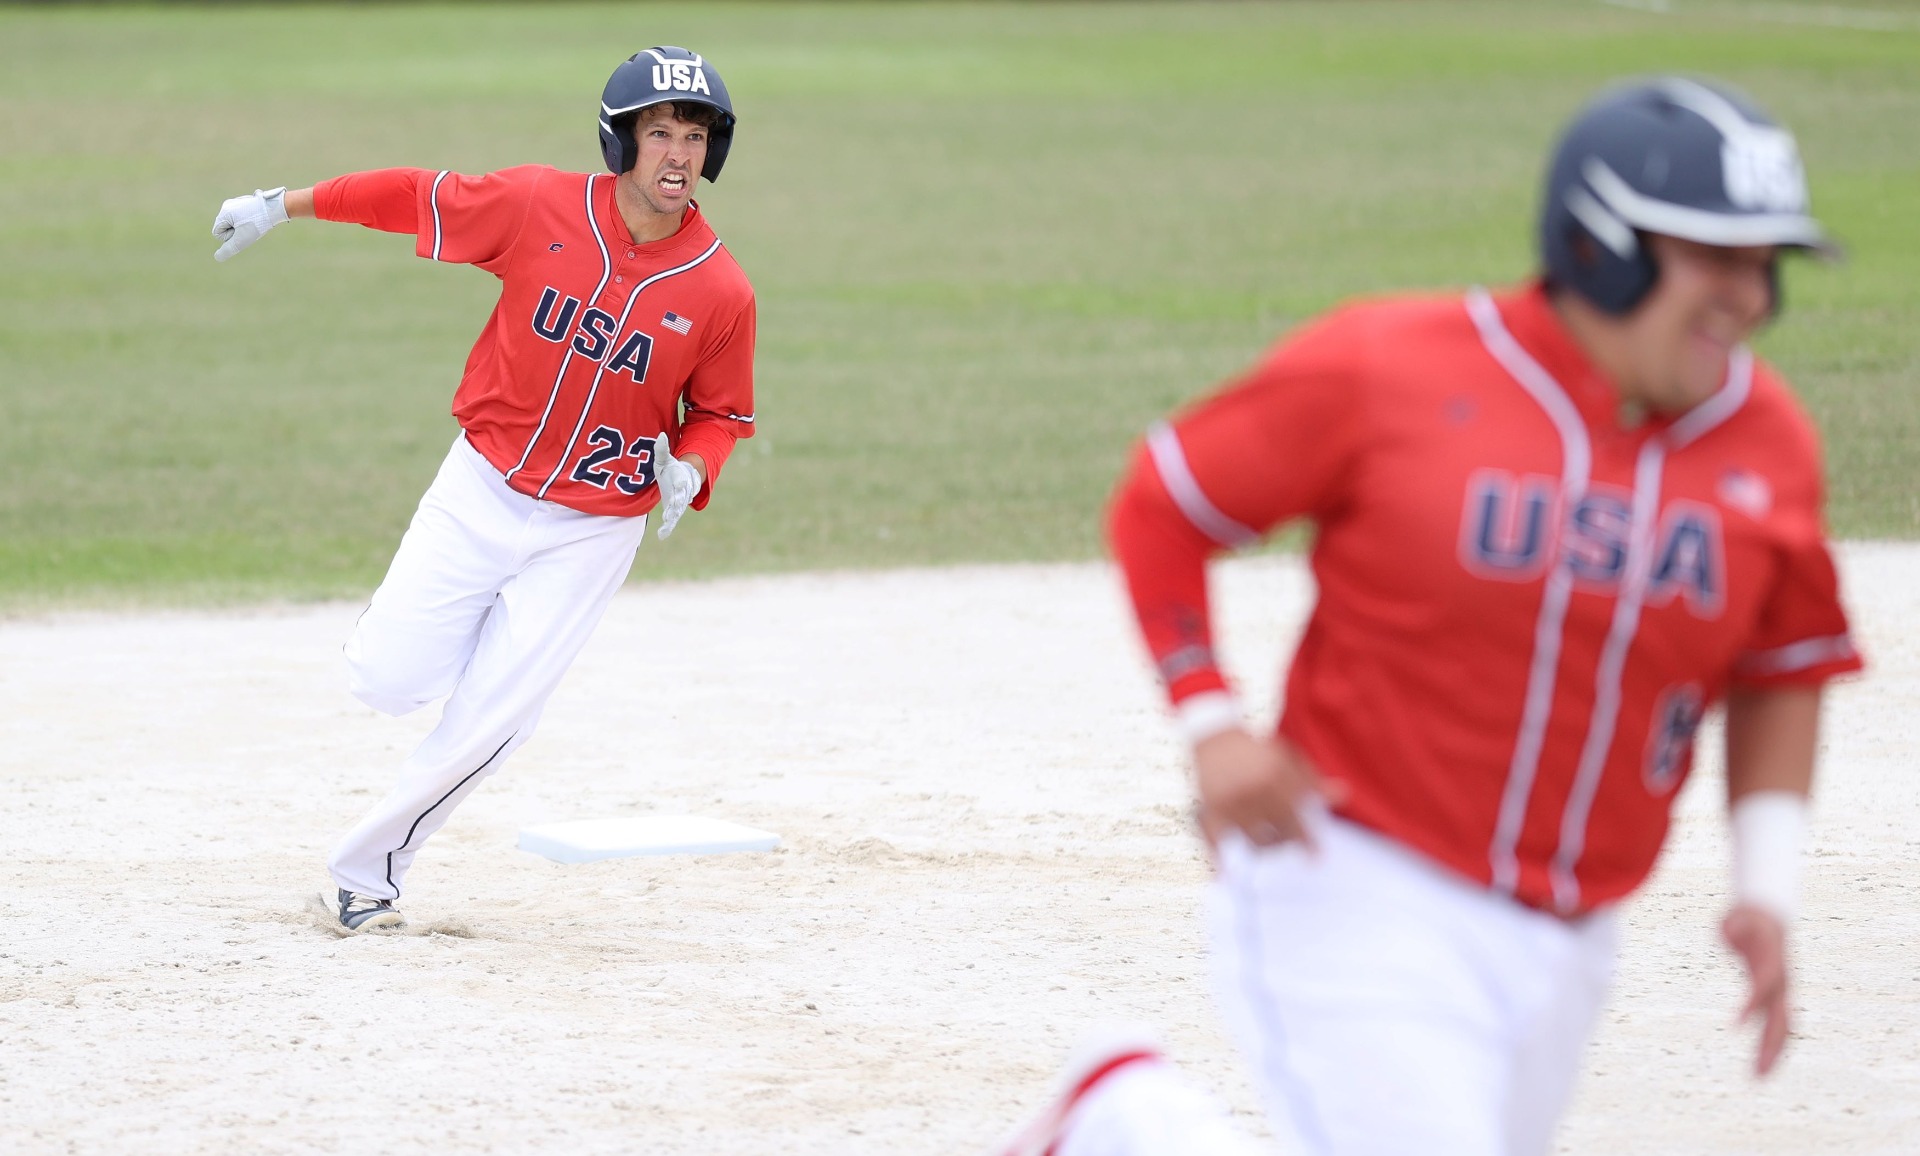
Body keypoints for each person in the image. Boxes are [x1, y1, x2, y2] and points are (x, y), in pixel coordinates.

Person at [997, 76, 1862, 1156]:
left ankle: (1122, 1124)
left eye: (1764, 264)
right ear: (1602, 243)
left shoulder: (1766, 439)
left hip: (1573, 932)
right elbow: (1166, 502)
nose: (1750, 297)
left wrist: (1765, 888)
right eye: (1716, 257)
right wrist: (1209, 721)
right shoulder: (1395, 367)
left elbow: (1784, 662)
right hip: (1360, 880)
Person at [209, 47, 756, 934]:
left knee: (488, 726)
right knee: (387, 680)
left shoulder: (722, 288)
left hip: (592, 529)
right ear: (622, 139)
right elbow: (411, 195)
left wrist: (692, 471)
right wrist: (284, 204)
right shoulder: (540, 205)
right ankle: (457, 643)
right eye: (660, 132)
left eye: (695, 137)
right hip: (482, 487)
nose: (678, 155)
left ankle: (367, 879)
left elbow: (723, 415)